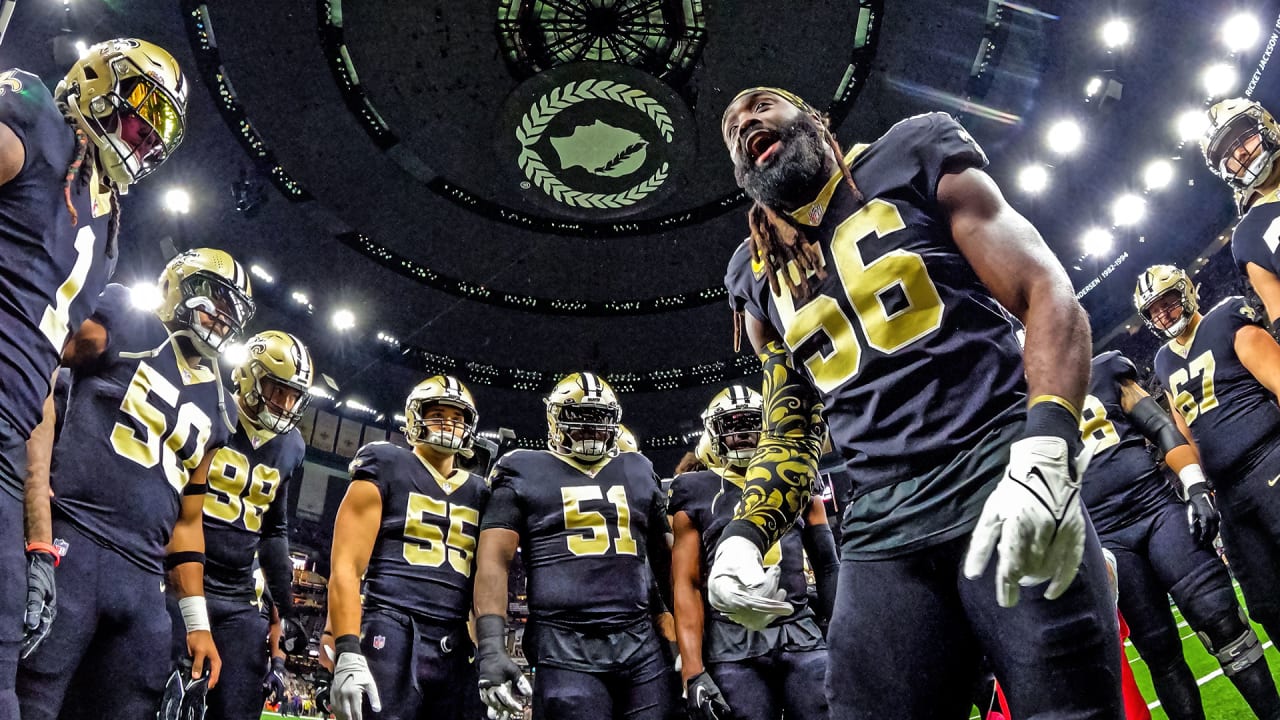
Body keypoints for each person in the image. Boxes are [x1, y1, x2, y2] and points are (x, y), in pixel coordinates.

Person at [710, 87, 1120, 719]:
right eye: (732, 126)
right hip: (881, 528)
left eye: (761, 104)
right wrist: (744, 532)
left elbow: (1043, 287)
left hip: (997, 472)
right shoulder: (755, 271)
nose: (745, 121)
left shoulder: (910, 153)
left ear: (814, 119)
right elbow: (790, 428)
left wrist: (1047, 446)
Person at [0, 38, 188, 714]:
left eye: (156, 136)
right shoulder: (36, 121)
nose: (143, 141)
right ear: (97, 83)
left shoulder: (103, 234)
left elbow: (42, 389)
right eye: (140, 117)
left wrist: (41, 540)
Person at [17, 247, 253, 719]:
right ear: (174, 287)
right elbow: (37, 364)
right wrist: (30, 503)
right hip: (75, 542)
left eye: (232, 310)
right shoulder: (129, 323)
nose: (220, 316)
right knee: (32, 698)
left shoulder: (221, 409)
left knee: (130, 707)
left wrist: (197, 622)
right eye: (214, 298)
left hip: (144, 579)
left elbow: (188, 522)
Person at [1080, 350, 1280, 719]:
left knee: (1221, 617)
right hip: (1106, 538)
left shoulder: (1103, 370)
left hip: (1155, 508)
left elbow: (1161, 427)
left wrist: (1195, 485)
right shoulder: (1018, 413)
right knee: (1158, 652)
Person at [474, 372, 674, 720]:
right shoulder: (523, 468)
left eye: (599, 419)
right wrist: (491, 644)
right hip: (564, 645)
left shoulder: (638, 468)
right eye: (579, 418)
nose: (591, 429)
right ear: (555, 419)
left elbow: (667, 565)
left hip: (641, 645)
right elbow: (494, 562)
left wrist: (683, 643)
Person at [327, 376, 489, 720]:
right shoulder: (386, 463)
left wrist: (491, 652)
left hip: (454, 640)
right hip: (391, 626)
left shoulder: (481, 492)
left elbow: (485, 586)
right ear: (416, 418)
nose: (450, 424)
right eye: (439, 414)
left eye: (459, 418)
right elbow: (346, 568)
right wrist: (347, 647)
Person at [669, 385, 836, 720]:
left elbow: (829, 565)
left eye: (751, 423)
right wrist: (693, 671)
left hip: (799, 630)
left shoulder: (796, 474)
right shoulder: (695, 488)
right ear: (714, 433)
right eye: (733, 425)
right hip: (731, 642)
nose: (744, 434)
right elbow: (687, 584)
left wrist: (840, 635)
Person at [1135, 264, 1280, 646]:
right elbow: (1184, 432)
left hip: (1270, 460)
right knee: (1267, 603)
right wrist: (1199, 487)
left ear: (1186, 291)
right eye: (1154, 311)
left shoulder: (1226, 317)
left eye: (1167, 303)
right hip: (1228, 493)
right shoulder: (1164, 361)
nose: (1163, 314)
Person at [193, 330, 312, 720]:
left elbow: (274, 530)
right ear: (248, 376)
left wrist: (288, 609)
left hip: (239, 594)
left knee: (238, 705)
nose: (285, 404)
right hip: (180, 577)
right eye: (278, 391)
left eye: (294, 396)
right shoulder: (210, 405)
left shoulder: (291, 445)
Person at [1201, 99, 1280, 328]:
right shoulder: (1248, 236)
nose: (1241, 154)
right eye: (1229, 155)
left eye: (1245, 137)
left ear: (1265, 122)